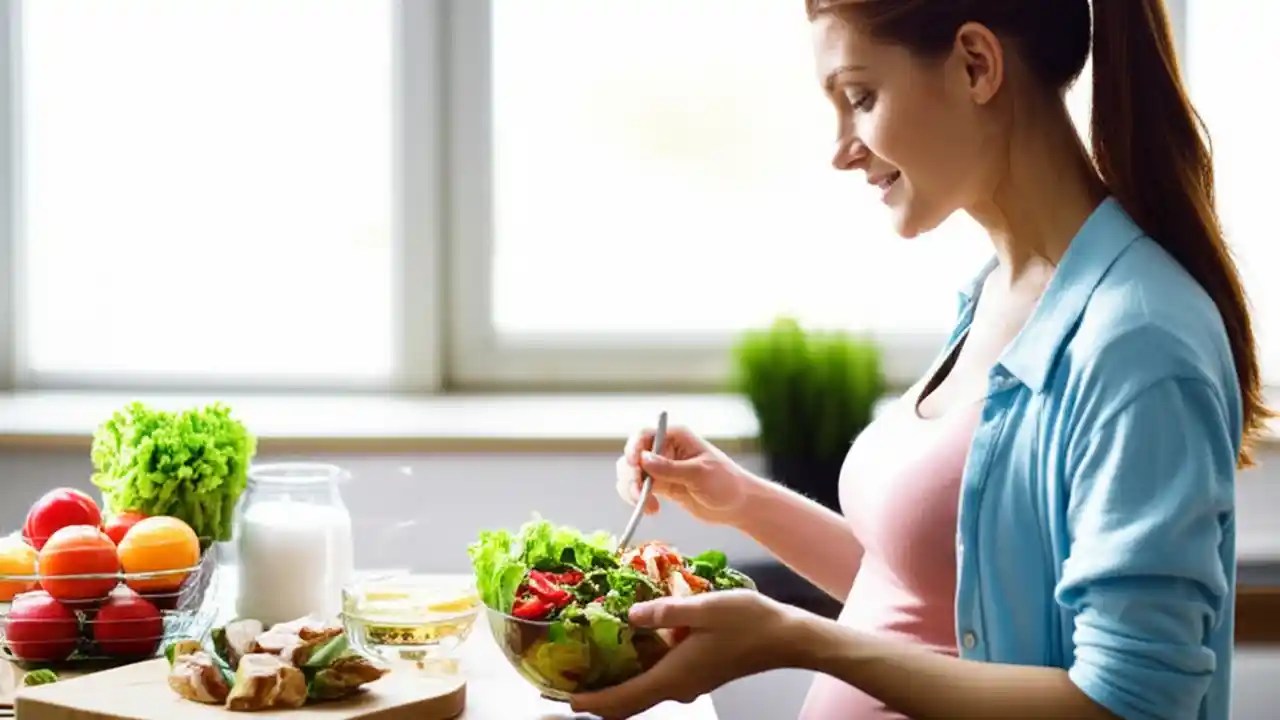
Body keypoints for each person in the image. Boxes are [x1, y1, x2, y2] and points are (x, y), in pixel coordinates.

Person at [569, 1, 1270, 719]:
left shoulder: (1138, 340)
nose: (842, 148)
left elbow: (1134, 704)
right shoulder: (999, 293)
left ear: (976, 64)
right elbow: (925, 599)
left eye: (861, 99)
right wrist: (742, 500)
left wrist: (799, 641)